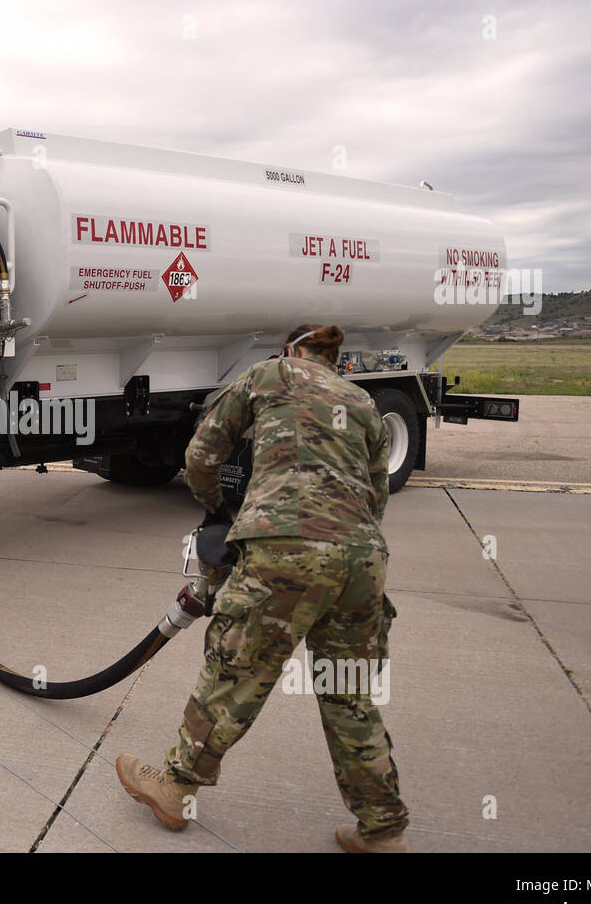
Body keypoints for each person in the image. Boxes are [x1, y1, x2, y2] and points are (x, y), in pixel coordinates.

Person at [115, 324, 410, 852]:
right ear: (334, 360)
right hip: (363, 558)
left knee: (235, 674)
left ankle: (176, 789)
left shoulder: (269, 374)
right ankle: (383, 830)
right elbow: (377, 494)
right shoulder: (362, 401)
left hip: (285, 548)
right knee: (349, 696)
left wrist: (217, 512)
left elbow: (202, 456)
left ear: (292, 350)